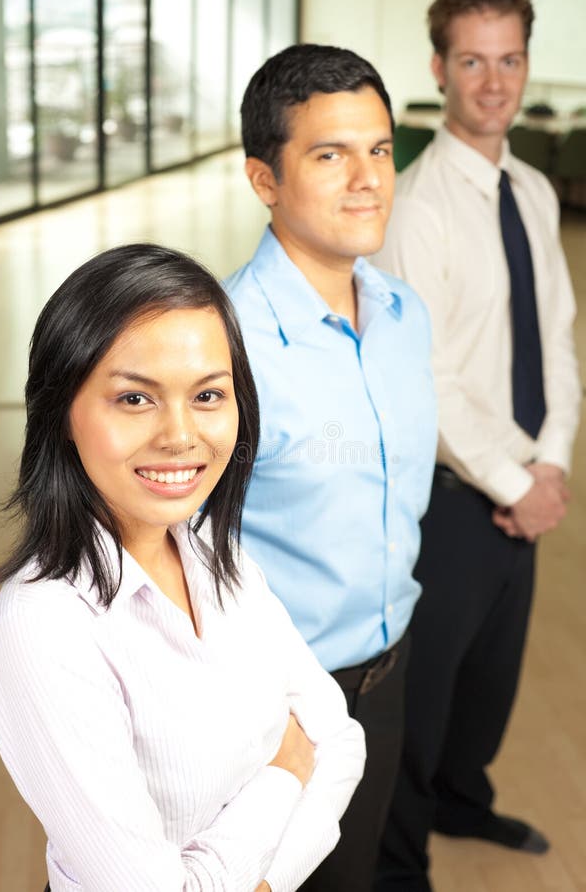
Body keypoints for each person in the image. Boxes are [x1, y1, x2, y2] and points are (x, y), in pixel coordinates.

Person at [0, 243, 366, 892]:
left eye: (209, 395)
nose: (181, 436)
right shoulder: (45, 626)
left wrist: (261, 883)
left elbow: (340, 744)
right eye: (135, 400)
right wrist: (283, 774)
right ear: (63, 415)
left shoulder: (214, 552)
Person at [373, 0, 582, 889]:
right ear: (439, 71)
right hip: (454, 495)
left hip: (525, 476)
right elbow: (429, 379)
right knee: (423, 702)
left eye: (508, 61)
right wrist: (511, 479)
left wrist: (553, 461)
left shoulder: (531, 189)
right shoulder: (418, 208)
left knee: (491, 678)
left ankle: (466, 797)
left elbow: (560, 334)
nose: (493, 83)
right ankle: (398, 862)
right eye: (472, 62)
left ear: (527, 64)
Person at [225, 45, 437, 892]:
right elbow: (168, 557)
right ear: (264, 179)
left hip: (386, 675)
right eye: (329, 154)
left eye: (380, 150)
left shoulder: (402, 313)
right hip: (272, 706)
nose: (368, 180)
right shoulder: (224, 342)